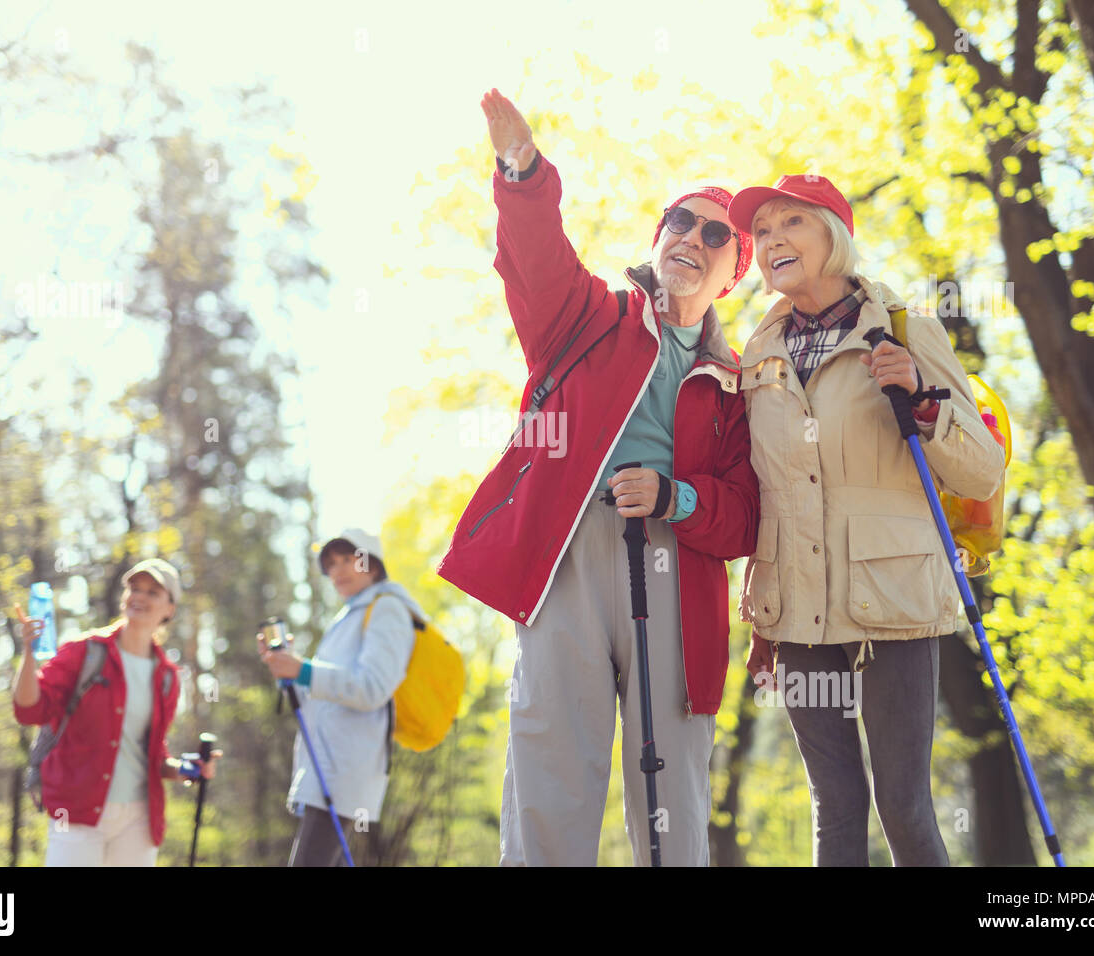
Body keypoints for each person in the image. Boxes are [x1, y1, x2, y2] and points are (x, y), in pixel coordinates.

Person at [435, 89, 760, 866]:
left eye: (716, 236)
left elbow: (748, 517)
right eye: (679, 221)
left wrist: (676, 497)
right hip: (569, 554)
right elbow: (536, 255)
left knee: (672, 791)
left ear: (731, 277)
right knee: (551, 763)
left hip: (679, 572)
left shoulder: (741, 383)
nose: (693, 238)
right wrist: (522, 169)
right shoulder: (587, 315)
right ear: (656, 239)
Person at [727, 174, 1006, 866]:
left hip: (896, 596)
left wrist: (923, 399)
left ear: (834, 235)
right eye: (761, 231)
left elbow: (982, 471)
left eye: (791, 222)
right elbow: (766, 487)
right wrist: (759, 608)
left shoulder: (910, 331)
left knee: (903, 806)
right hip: (794, 605)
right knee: (835, 805)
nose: (772, 241)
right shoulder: (755, 356)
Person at [13, 558, 221, 867]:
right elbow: (29, 710)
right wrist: (29, 653)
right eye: (135, 589)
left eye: (153, 592)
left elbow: (153, 754)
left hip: (138, 822)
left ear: (170, 609)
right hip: (77, 813)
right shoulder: (84, 651)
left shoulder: (166, 676)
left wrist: (187, 770)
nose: (140, 597)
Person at [259, 528, 422, 867]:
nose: (337, 570)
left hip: (342, 770)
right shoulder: (349, 617)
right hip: (325, 768)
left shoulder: (387, 608)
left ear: (373, 564)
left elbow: (373, 688)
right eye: (330, 564)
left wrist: (302, 670)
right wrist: (287, 671)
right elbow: (324, 697)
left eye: (348, 559)